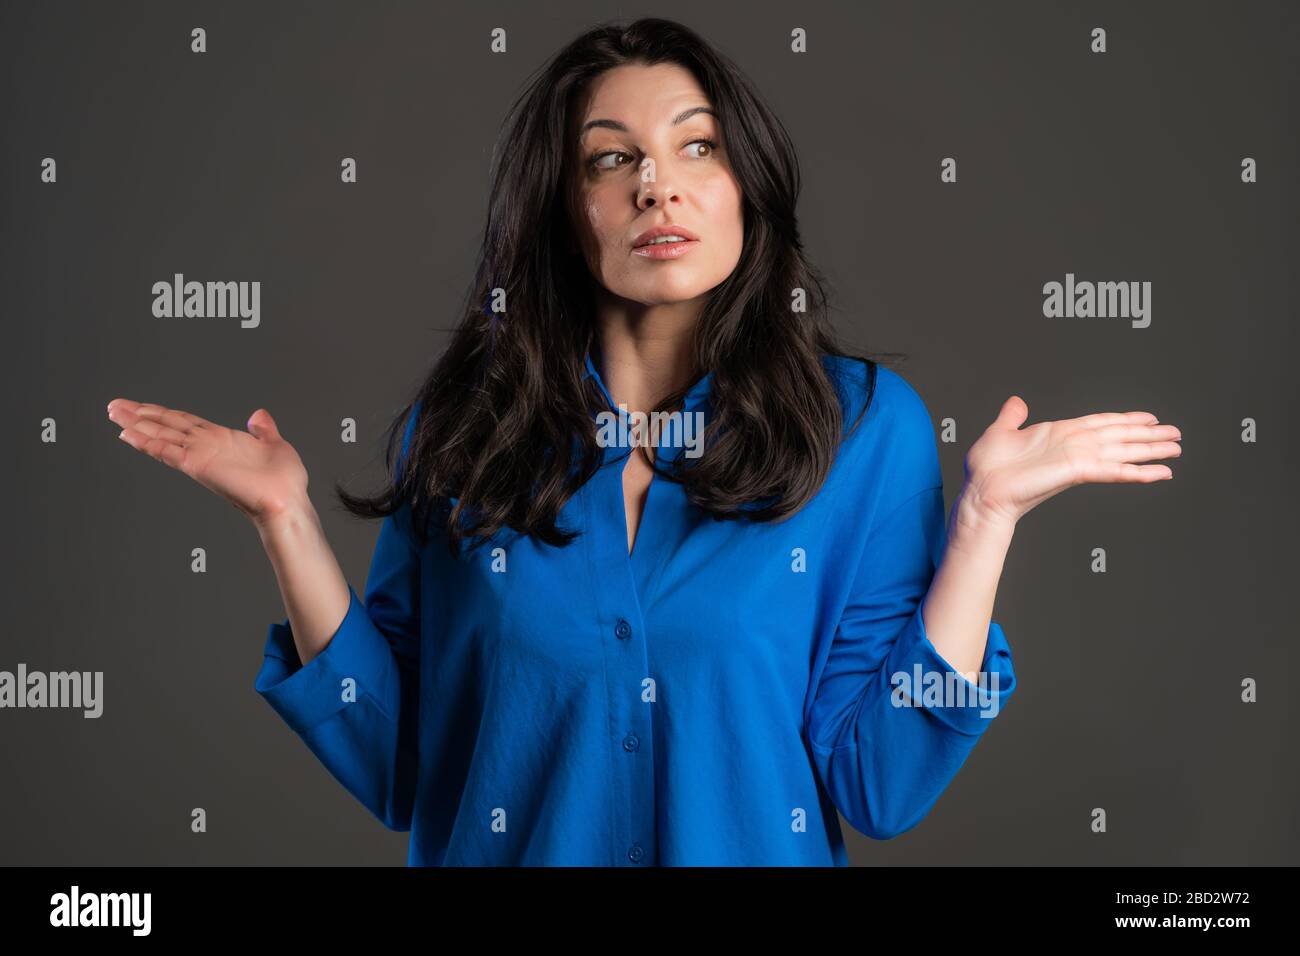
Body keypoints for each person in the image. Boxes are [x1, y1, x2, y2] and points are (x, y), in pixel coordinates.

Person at [105, 17, 1182, 866]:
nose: (656, 185)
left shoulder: (860, 429)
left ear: (744, 185)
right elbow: (399, 765)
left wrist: (986, 522)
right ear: (559, 210)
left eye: (695, 146)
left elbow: (878, 785)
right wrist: (284, 518)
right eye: (608, 160)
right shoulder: (468, 430)